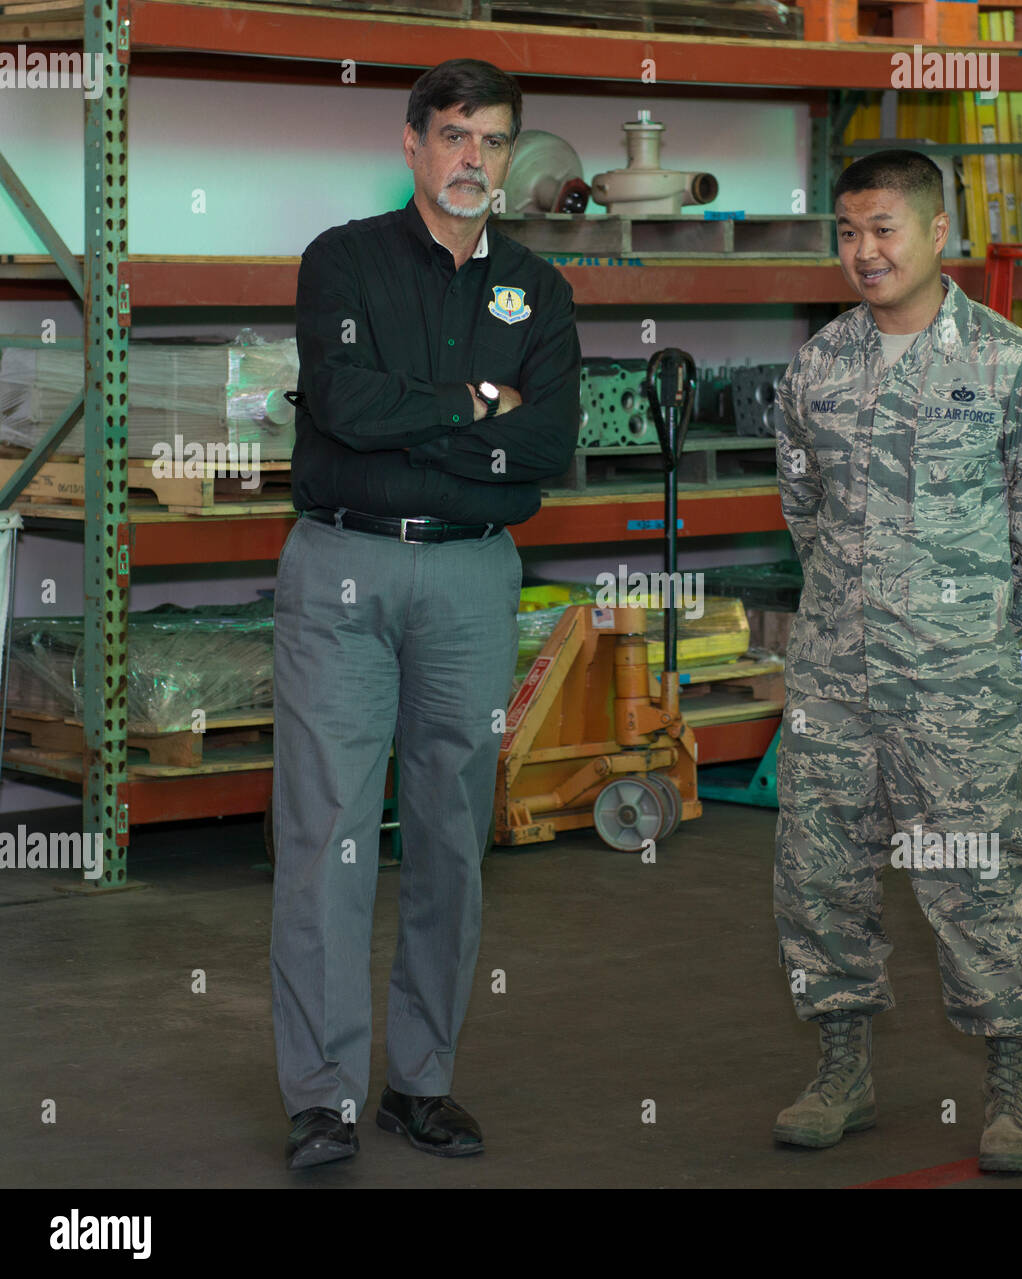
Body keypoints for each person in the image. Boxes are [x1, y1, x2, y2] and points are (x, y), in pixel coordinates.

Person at [271, 58, 581, 1170]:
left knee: (452, 835)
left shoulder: (540, 294)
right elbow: (344, 410)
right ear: (411, 143)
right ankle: (320, 1098)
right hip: (344, 566)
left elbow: (546, 449)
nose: (472, 160)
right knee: (326, 839)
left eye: (493, 142)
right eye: (454, 135)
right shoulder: (342, 260)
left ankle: (420, 1082)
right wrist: (472, 406)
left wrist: (426, 421)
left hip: (470, 578)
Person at [771, 150, 1022, 1173]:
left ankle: (1011, 1081)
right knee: (820, 873)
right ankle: (842, 1071)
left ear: (937, 232)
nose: (865, 251)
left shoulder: (1004, 363)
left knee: (975, 873)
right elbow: (802, 509)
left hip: (955, 683)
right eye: (848, 232)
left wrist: (984, 629)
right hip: (832, 678)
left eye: (884, 229)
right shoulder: (817, 364)